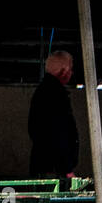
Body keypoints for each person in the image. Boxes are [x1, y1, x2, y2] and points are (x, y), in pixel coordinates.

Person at [28, 50, 78, 179]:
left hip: (44, 164)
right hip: (53, 168)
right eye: (70, 69)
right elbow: (58, 132)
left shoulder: (43, 91)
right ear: (64, 71)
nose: (71, 73)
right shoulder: (56, 94)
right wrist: (66, 168)